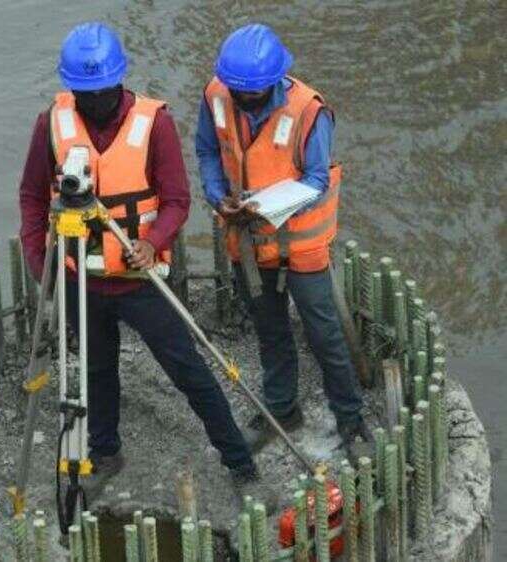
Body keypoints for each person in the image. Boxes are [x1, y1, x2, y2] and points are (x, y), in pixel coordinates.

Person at [19, 22, 257, 486]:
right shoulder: (51, 123)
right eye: (83, 92)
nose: (92, 102)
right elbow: (31, 196)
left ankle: (238, 460)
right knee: (97, 371)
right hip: (80, 279)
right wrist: (37, 260)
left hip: (138, 278)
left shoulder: (155, 123)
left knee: (188, 368)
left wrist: (154, 242)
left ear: (118, 82)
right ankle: (105, 453)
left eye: (100, 91)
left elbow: (177, 200)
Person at [195, 24, 372, 460]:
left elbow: (315, 179)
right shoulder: (216, 95)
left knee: (323, 332)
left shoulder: (310, 112)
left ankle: (350, 418)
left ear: (273, 81)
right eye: (237, 89)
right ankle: (281, 408)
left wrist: (267, 205)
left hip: (300, 242)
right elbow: (206, 152)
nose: (242, 97)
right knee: (269, 330)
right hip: (251, 241)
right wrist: (219, 197)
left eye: (251, 92)